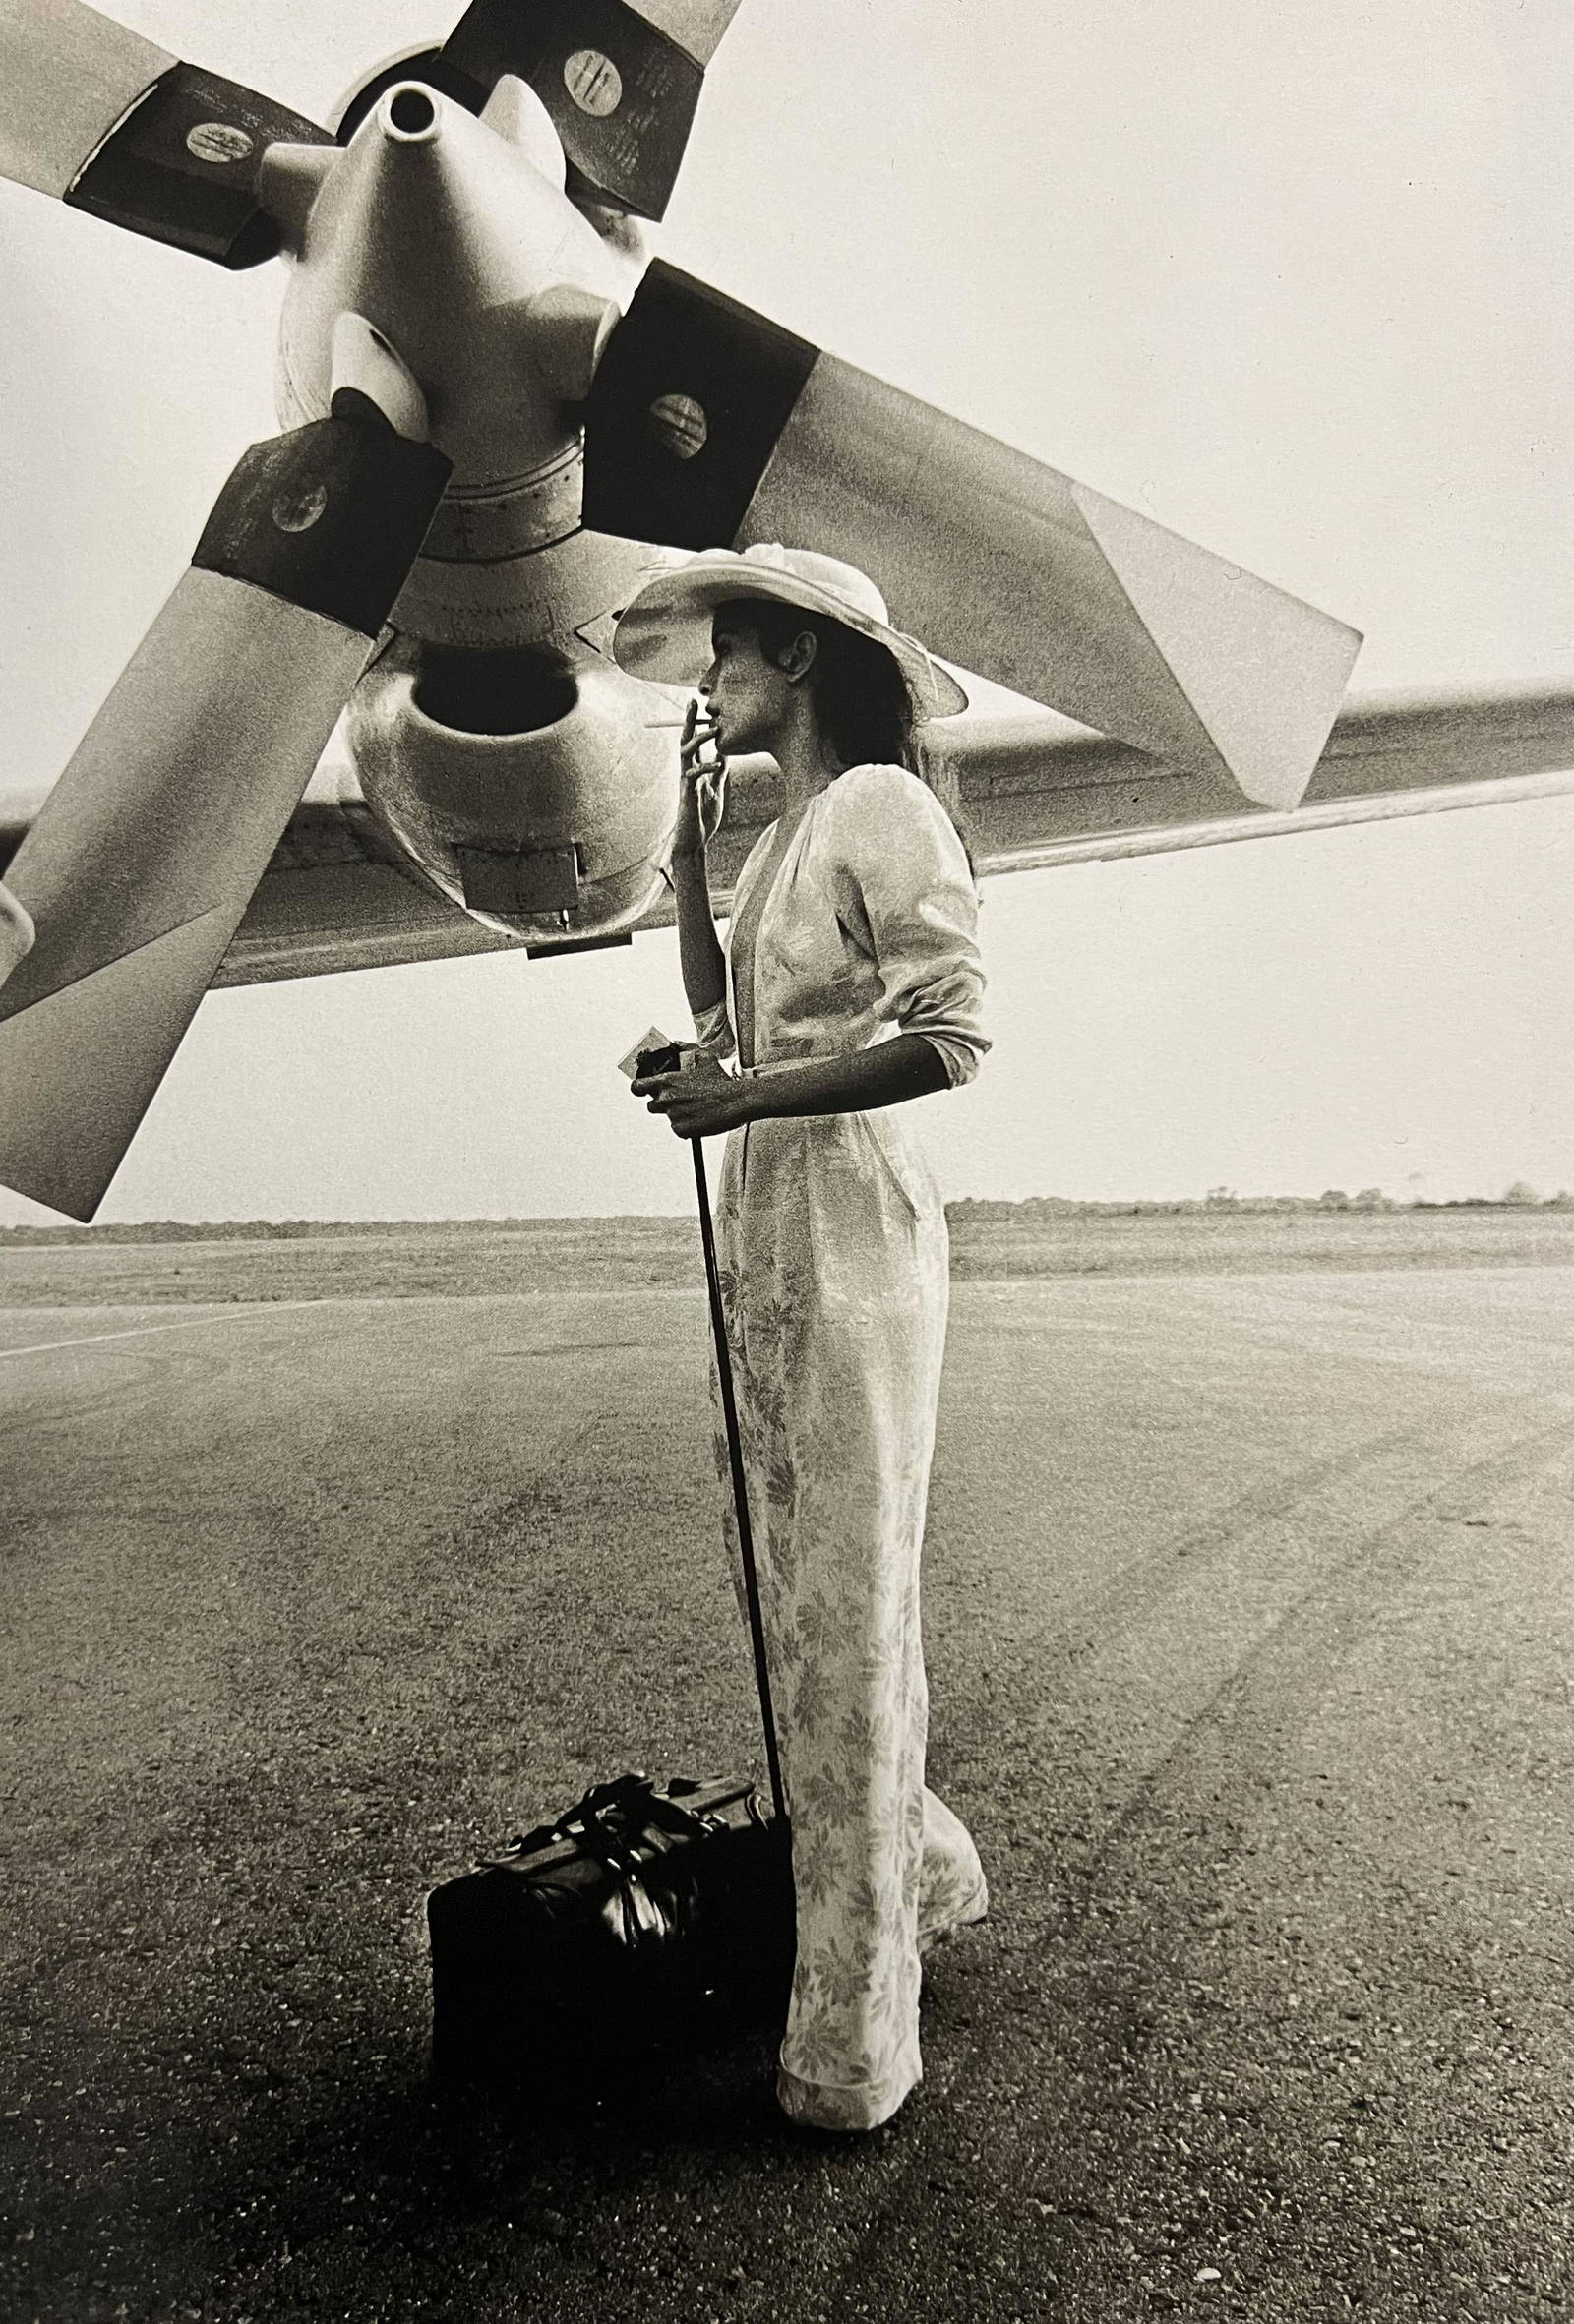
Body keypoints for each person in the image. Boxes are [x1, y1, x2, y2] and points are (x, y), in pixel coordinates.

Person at [617, 542, 990, 2135]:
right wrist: (693, 862)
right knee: (801, 1607)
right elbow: (723, 1011)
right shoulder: (787, 836)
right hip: (775, 1225)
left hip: (852, 1229)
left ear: (803, 658)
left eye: (728, 656)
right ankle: (913, 1872)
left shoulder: (888, 810)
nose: (708, 681)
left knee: (848, 1609)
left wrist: (747, 1094)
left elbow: (956, 1032)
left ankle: (852, 2044)